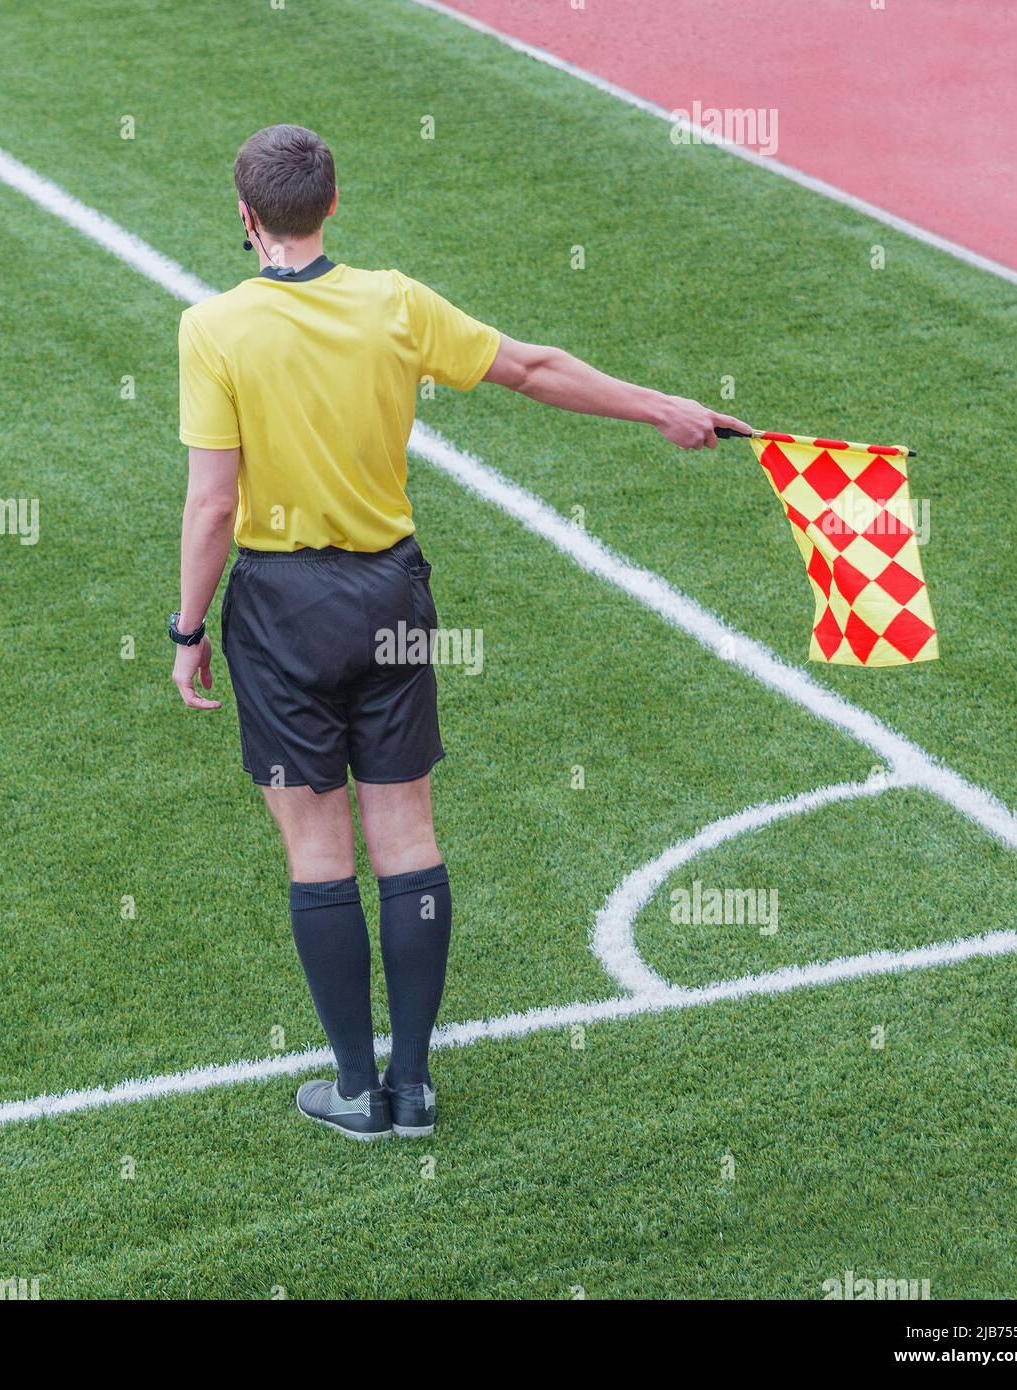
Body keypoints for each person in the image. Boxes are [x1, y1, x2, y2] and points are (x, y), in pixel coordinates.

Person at [173, 123, 748, 1140]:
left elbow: (213, 507)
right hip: (391, 597)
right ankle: (416, 1083)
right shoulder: (394, 301)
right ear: (333, 205)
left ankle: (355, 1090)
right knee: (408, 834)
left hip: (279, 610)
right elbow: (530, 366)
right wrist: (659, 406)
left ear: (245, 216)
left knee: (318, 848)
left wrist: (185, 629)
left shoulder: (214, 328)